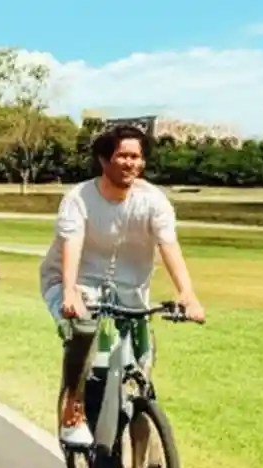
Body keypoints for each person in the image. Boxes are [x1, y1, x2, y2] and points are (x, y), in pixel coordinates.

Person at [40, 124, 204, 447]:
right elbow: (71, 245)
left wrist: (188, 294)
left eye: (136, 157)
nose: (131, 163)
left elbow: (169, 246)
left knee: (142, 368)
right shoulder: (79, 198)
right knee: (84, 328)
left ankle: (141, 456)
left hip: (130, 292)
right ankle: (73, 404)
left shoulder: (153, 201)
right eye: (123, 156)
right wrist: (70, 290)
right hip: (74, 282)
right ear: (104, 160)